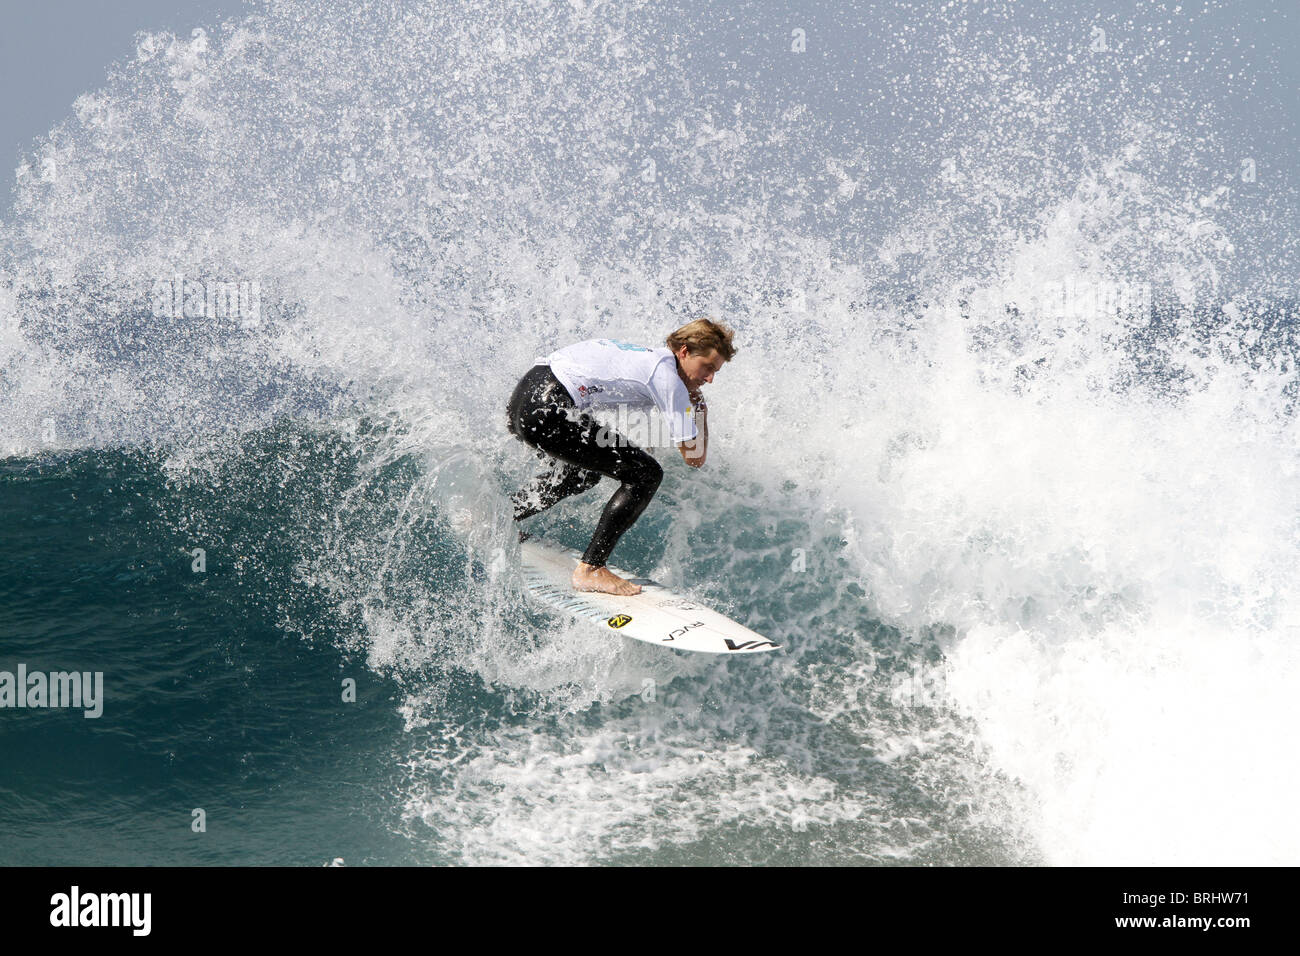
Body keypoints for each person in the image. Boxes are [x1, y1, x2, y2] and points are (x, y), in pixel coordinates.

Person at [505, 318, 736, 595]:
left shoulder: (647, 359)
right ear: (684, 351)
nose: (709, 378)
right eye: (708, 367)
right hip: (548, 411)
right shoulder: (667, 381)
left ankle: (503, 515)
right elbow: (694, 457)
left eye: (715, 372)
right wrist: (700, 410)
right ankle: (591, 569)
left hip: (527, 398)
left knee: (583, 473)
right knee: (646, 475)